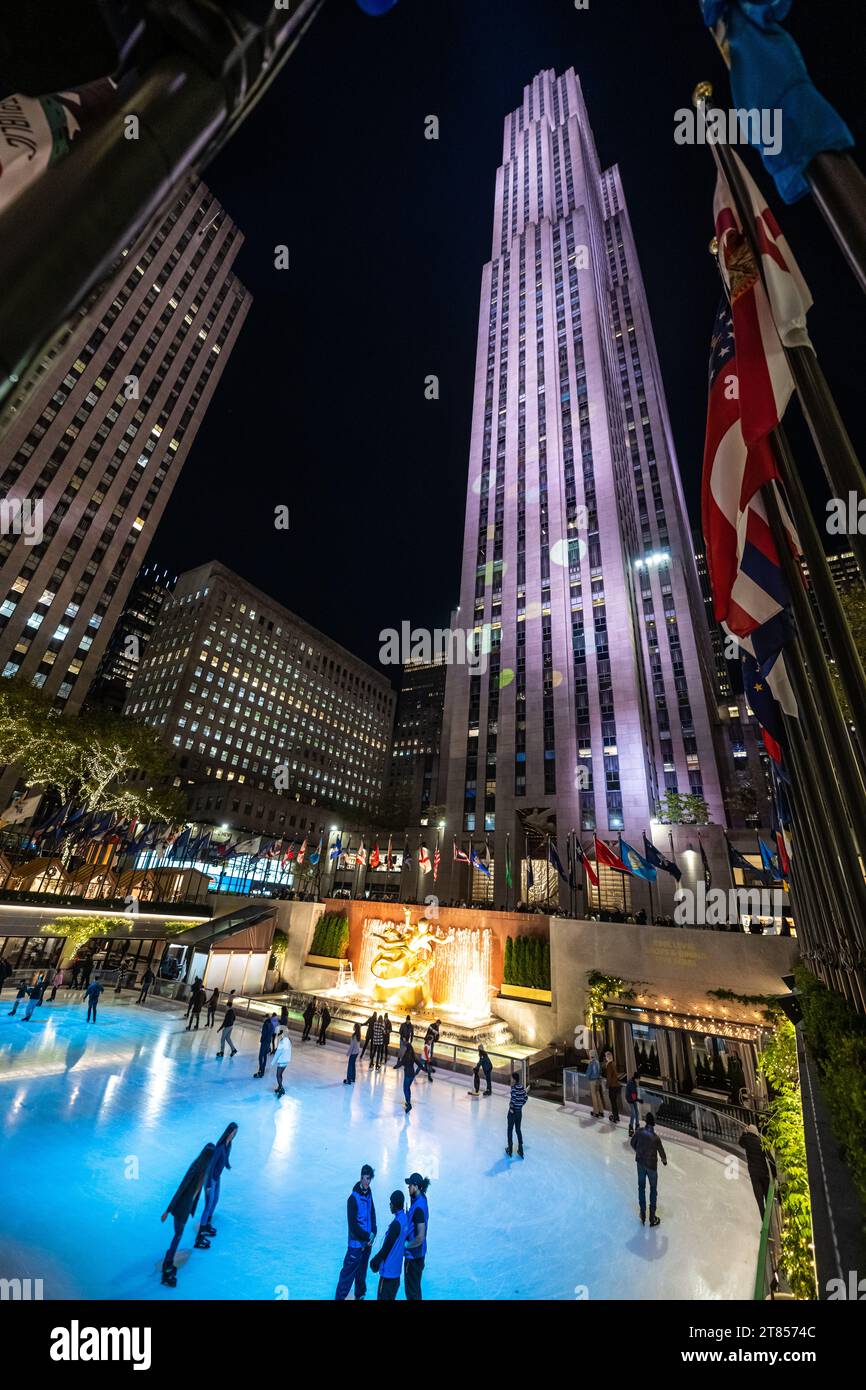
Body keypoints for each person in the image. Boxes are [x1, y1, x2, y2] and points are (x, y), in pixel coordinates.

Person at [160, 1142, 215, 1286]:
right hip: (181, 1208)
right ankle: (167, 1267)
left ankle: (169, 1260)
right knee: (177, 1236)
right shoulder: (196, 1170)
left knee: (177, 1236)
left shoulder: (203, 1171)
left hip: (185, 1207)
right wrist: (168, 1210)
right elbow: (181, 1188)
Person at [334, 1164, 377, 1301]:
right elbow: (353, 1226)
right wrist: (367, 1235)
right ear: (361, 1177)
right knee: (347, 1276)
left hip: (367, 1244)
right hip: (356, 1246)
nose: (368, 1182)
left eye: (370, 1179)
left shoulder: (369, 1193)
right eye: (367, 1178)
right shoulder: (352, 1199)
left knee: (361, 1275)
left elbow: (372, 1214)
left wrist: (374, 1232)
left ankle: (360, 1296)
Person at [198, 1123, 237, 1242]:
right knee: (208, 1205)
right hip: (211, 1179)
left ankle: (207, 1224)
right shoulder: (219, 1147)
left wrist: (227, 1165)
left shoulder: (228, 1145)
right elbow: (211, 1166)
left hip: (217, 1178)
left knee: (215, 1201)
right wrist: (209, 1185)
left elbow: (225, 1158)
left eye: (235, 1133)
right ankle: (200, 1234)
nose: (233, 1135)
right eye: (232, 1132)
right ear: (228, 1132)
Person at [369, 1190, 410, 1300]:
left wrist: (375, 1262)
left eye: (391, 1203)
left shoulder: (396, 1225)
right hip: (396, 1274)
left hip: (388, 1273)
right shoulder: (404, 1219)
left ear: (395, 1204)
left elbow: (386, 1248)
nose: (390, 1205)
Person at [630, 1111, 667, 1226]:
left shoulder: (640, 1132)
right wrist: (664, 1160)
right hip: (651, 1166)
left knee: (641, 1187)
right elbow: (662, 1152)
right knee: (653, 1189)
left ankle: (642, 1213)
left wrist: (639, 1151)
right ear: (654, 1124)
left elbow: (632, 1143)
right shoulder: (656, 1138)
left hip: (640, 1163)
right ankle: (652, 1217)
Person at [739, 1125, 776, 1219]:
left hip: (754, 1174)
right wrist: (774, 1174)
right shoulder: (761, 1142)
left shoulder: (746, 1140)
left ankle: (764, 1220)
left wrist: (744, 1133)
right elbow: (770, 1159)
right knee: (768, 1196)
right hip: (764, 1173)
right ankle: (771, 1219)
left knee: (759, 1199)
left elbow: (740, 1143)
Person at [403, 1173, 430, 1300]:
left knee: (412, 1293)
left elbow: (420, 1237)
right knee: (415, 1290)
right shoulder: (420, 1199)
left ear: (417, 1186)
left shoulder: (419, 1208)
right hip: (418, 1255)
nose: (408, 1187)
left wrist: (407, 1246)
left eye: (410, 1185)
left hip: (413, 1257)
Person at [505, 1070, 528, 1158]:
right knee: (518, 1130)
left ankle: (510, 1149)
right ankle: (520, 1149)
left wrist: (511, 1108)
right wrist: (521, 1105)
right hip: (519, 1112)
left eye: (511, 1078)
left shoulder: (514, 1088)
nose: (510, 1079)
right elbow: (526, 1097)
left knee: (510, 1129)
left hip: (513, 1112)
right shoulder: (521, 1087)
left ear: (514, 1080)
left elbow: (513, 1099)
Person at [586, 1049, 605, 1118]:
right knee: (598, 1095)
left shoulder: (591, 1063)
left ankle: (596, 1112)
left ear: (591, 1055)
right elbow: (600, 1072)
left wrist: (587, 1077)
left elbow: (588, 1073)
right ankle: (601, 1111)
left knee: (594, 1096)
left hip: (593, 1081)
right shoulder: (597, 1062)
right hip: (598, 1081)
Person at [604, 1050, 621, 1123]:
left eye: (606, 1056)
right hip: (616, 1086)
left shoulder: (609, 1065)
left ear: (607, 1057)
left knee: (613, 1102)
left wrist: (607, 1086)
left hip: (612, 1086)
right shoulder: (614, 1064)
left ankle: (615, 1117)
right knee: (614, 1103)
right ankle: (616, 1116)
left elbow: (609, 1077)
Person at [274, 1030, 292, 1096]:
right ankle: (279, 1087)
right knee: (280, 1074)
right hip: (286, 1061)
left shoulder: (283, 1042)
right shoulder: (289, 1041)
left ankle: (281, 1088)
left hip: (282, 1061)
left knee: (278, 1075)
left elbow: (278, 1052)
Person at [401, 1042, 417, 1112]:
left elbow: (401, 1063)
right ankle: (408, 1102)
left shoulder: (406, 1056)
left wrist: (395, 1066)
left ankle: (409, 1104)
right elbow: (419, 1064)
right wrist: (426, 1070)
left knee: (405, 1089)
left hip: (407, 1074)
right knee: (408, 1088)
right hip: (412, 1074)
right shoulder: (413, 1056)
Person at [626, 1071, 641, 1137]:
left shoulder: (634, 1082)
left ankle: (637, 1125)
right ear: (636, 1078)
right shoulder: (631, 1083)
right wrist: (638, 1100)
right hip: (630, 1099)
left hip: (633, 1099)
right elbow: (633, 1094)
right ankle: (631, 1127)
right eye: (638, 1079)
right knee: (633, 1113)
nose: (639, 1080)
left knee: (637, 1112)